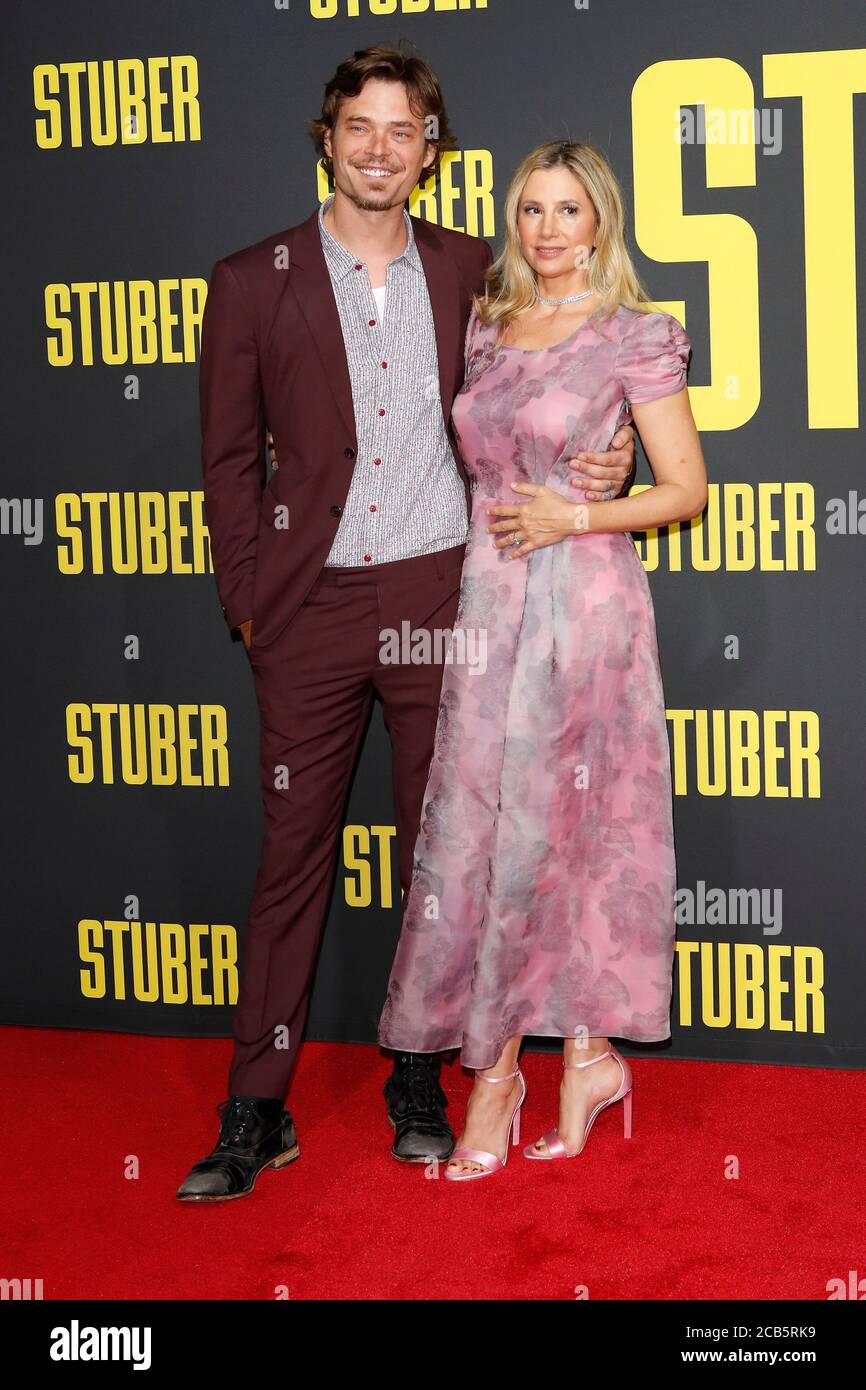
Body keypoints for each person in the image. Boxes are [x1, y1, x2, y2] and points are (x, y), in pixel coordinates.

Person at [177, 49, 636, 1202]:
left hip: (445, 597)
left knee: (450, 860)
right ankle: (255, 1110)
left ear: (430, 148)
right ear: (324, 137)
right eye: (359, 128)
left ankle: (420, 1077)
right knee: (293, 862)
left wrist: (607, 452)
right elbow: (228, 463)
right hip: (311, 608)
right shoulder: (250, 279)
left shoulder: (472, 274)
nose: (380, 150)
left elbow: (564, 375)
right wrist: (251, 599)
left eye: (404, 131)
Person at [378, 139, 707, 1180]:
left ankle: (579, 1056)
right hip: (490, 605)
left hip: (586, 605)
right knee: (485, 830)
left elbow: (685, 490)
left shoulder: (635, 335)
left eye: (568, 209)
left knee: (577, 826)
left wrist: (578, 508)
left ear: (599, 222)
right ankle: (503, 1068)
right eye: (530, 208)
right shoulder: (486, 325)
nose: (547, 228)